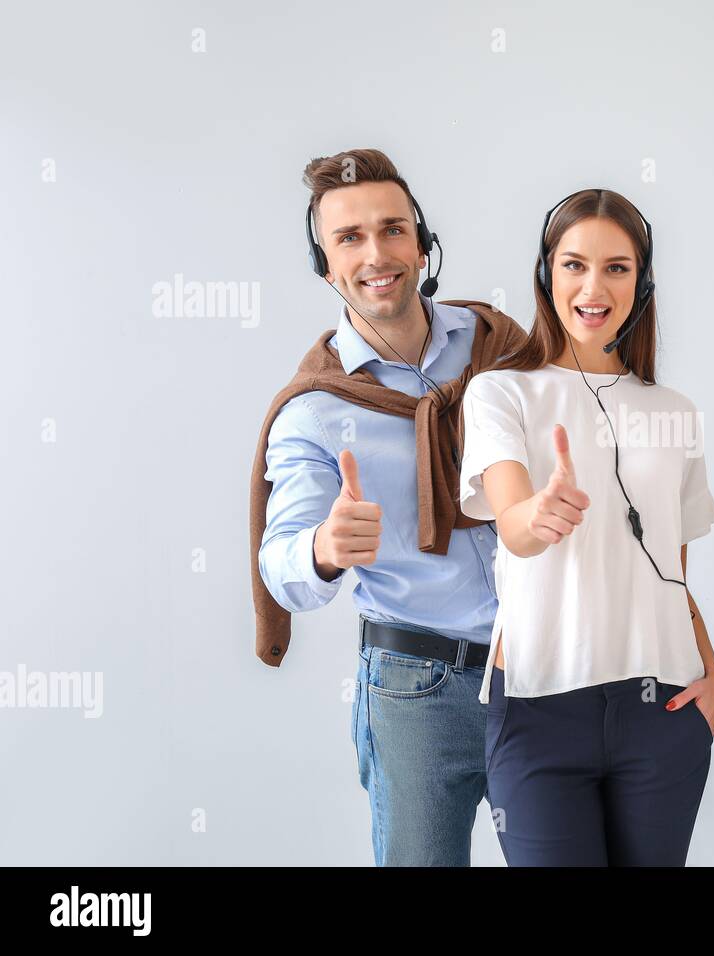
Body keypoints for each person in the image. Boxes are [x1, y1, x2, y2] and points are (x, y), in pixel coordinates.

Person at [250, 147, 525, 866]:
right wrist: (325, 546)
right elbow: (282, 561)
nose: (378, 253)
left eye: (393, 229)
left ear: (423, 240)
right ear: (325, 264)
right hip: (415, 691)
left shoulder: (499, 346)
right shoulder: (311, 412)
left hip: (540, 674)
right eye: (350, 238)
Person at [458, 188, 714, 866]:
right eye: (574, 265)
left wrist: (713, 678)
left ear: (644, 281)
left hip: (660, 712)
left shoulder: (676, 413)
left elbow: (672, 573)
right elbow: (513, 524)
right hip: (540, 707)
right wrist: (536, 515)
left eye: (617, 267)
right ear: (547, 274)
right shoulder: (501, 392)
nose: (594, 286)